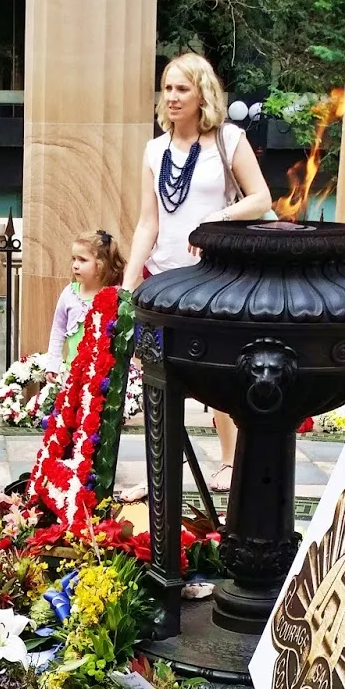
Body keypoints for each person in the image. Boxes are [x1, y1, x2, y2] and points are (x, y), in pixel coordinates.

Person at [121, 53, 272, 491]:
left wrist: (218, 221)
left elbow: (261, 198)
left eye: (181, 88)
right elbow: (148, 222)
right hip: (165, 279)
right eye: (167, 88)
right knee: (162, 378)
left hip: (214, 278)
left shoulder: (228, 138)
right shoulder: (154, 149)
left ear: (202, 93)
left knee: (218, 371)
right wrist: (129, 284)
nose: (171, 97)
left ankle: (229, 460)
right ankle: (160, 473)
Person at [44, 229, 126, 363]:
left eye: (82, 260)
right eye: (74, 259)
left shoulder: (115, 295)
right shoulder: (70, 293)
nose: (75, 265)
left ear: (101, 264)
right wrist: (53, 362)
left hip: (104, 376)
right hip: (72, 374)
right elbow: (58, 329)